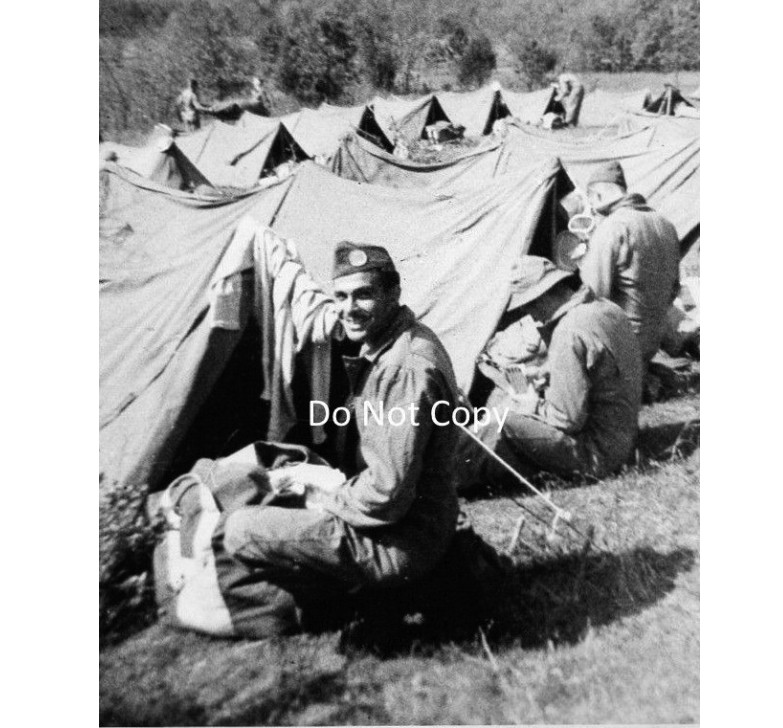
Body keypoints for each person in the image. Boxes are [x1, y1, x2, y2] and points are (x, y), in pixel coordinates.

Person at [195, 241, 462, 638]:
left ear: (393, 293)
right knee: (292, 464)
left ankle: (352, 601)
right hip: (411, 523)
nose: (349, 308)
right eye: (340, 296)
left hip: (400, 541)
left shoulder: (403, 369)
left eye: (364, 294)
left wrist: (320, 500)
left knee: (240, 529)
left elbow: (387, 494)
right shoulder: (398, 342)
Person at [456, 257, 642, 488]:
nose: (531, 316)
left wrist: (529, 406)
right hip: (625, 439)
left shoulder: (568, 332)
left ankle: (441, 479)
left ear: (542, 295)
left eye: (529, 307)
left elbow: (566, 420)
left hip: (596, 454)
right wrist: (548, 372)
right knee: (509, 404)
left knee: (501, 422)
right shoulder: (607, 309)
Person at [580, 160, 681, 363]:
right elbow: (673, 289)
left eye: (590, 200)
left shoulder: (612, 227)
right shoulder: (666, 224)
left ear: (597, 195)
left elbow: (593, 297)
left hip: (622, 348)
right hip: (652, 343)